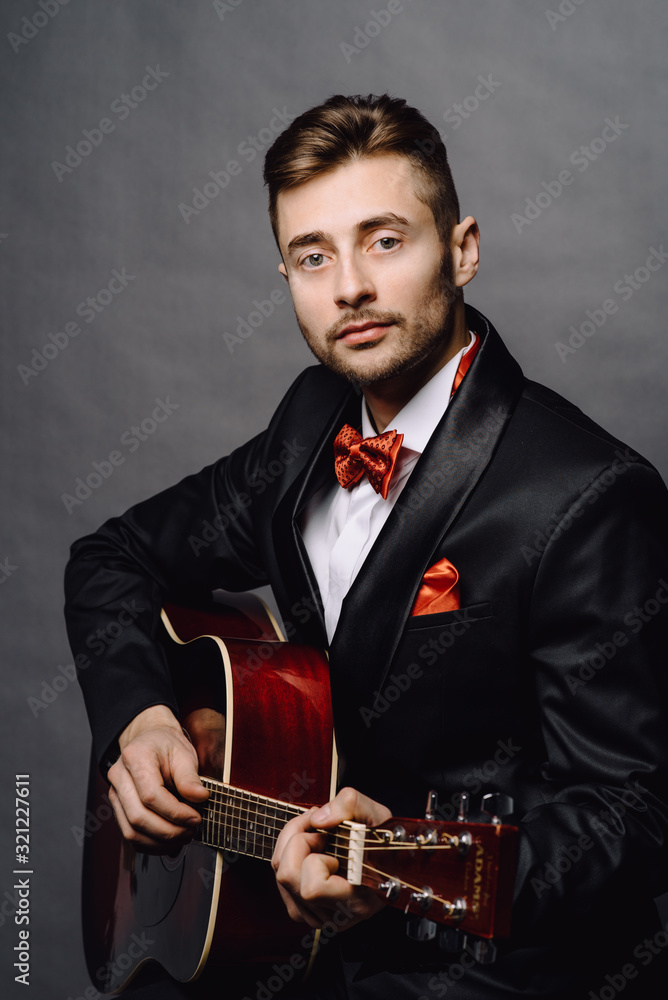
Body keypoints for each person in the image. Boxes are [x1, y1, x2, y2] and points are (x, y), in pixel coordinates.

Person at [65, 94, 668, 999]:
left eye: (385, 240)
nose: (348, 285)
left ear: (462, 249)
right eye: (314, 256)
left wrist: (391, 870)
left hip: (486, 970)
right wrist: (142, 717)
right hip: (279, 934)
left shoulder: (590, 494)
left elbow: (633, 818)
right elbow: (111, 557)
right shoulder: (308, 423)